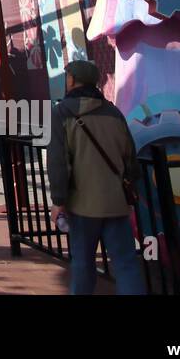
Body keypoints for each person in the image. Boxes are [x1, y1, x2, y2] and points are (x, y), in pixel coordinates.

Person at [47, 59, 146, 295]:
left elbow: (58, 162)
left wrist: (59, 201)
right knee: (126, 264)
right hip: (116, 203)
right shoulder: (114, 113)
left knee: (83, 264)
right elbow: (130, 157)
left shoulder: (61, 113)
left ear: (71, 80)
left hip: (82, 205)